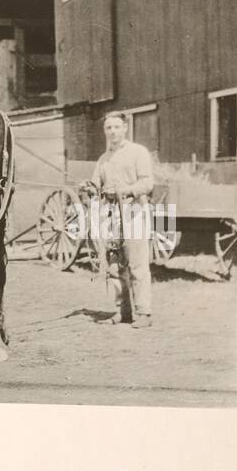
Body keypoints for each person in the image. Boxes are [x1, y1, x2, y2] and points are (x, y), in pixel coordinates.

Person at [81, 112, 155, 328]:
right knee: (114, 265)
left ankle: (144, 313)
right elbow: (96, 184)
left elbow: (148, 182)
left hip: (134, 214)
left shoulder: (137, 152)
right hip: (111, 216)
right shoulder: (103, 159)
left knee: (137, 265)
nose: (112, 132)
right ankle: (122, 310)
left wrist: (128, 190)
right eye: (108, 128)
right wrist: (89, 187)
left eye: (116, 127)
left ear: (125, 128)